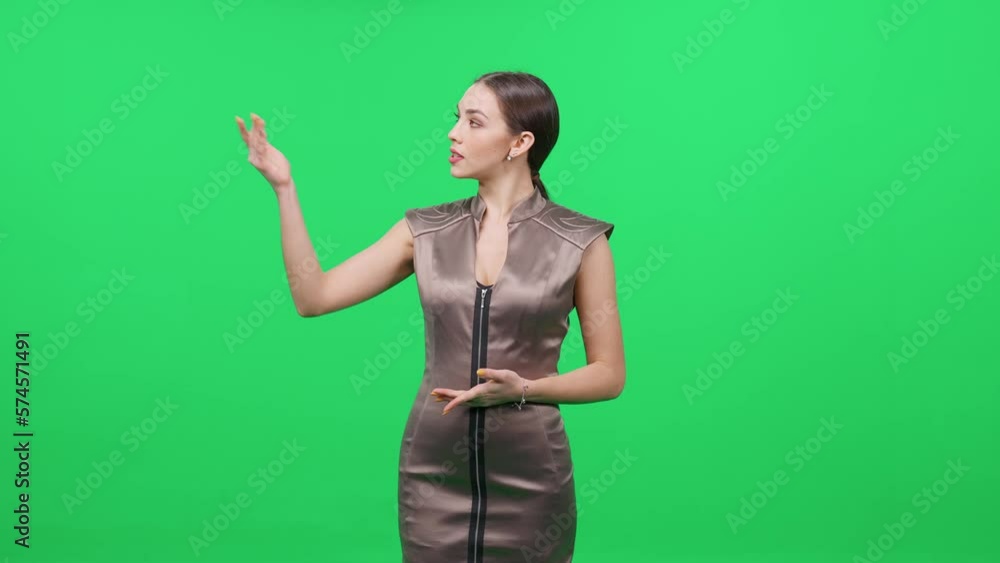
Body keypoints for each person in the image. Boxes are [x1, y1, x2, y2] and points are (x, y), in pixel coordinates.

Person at [236, 71, 625, 563]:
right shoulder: (424, 230)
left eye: (474, 121)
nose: (453, 132)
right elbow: (314, 296)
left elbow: (609, 375)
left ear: (520, 142)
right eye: (456, 118)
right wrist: (284, 188)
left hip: (533, 478)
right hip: (432, 476)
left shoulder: (579, 240)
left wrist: (523, 388)